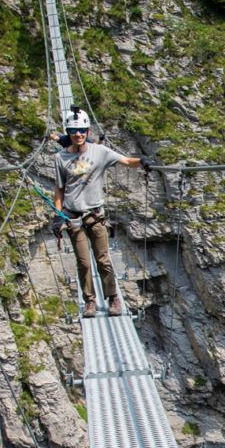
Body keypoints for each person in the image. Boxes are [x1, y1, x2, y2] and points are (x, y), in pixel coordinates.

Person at [52, 108, 150, 318]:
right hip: (73, 216)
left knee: (103, 260)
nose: (78, 134)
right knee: (84, 263)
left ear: (87, 131)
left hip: (95, 214)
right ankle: (90, 301)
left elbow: (125, 161)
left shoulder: (100, 152)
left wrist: (142, 161)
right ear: (68, 132)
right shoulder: (60, 158)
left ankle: (113, 297)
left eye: (81, 131)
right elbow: (59, 190)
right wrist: (57, 215)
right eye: (73, 131)